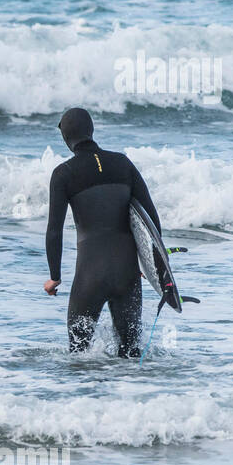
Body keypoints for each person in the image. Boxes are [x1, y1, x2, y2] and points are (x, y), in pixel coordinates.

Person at [44, 108, 161, 357]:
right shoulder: (122, 163)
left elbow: (54, 231)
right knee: (131, 354)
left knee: (78, 356)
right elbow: (151, 219)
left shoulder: (63, 173)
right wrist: (150, 265)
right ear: (91, 130)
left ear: (65, 139)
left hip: (90, 277)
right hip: (127, 275)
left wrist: (55, 276)